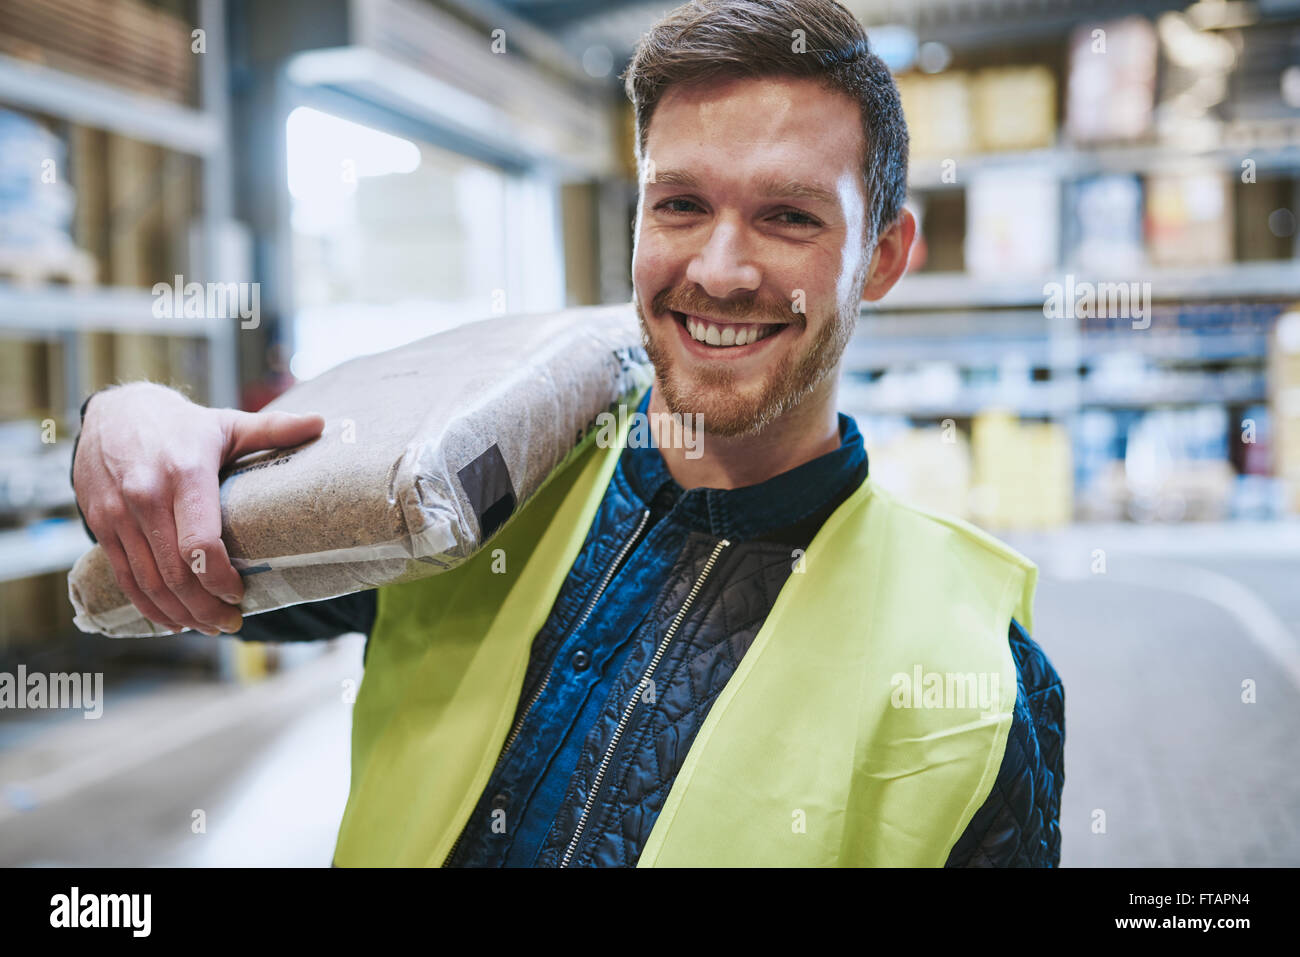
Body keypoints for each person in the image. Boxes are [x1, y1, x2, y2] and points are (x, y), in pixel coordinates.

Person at [70, 0, 1064, 867]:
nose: (718, 271)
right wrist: (126, 421)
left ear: (884, 256)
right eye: (679, 205)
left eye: (788, 218)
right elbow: (178, 570)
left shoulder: (974, 683)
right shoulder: (471, 485)